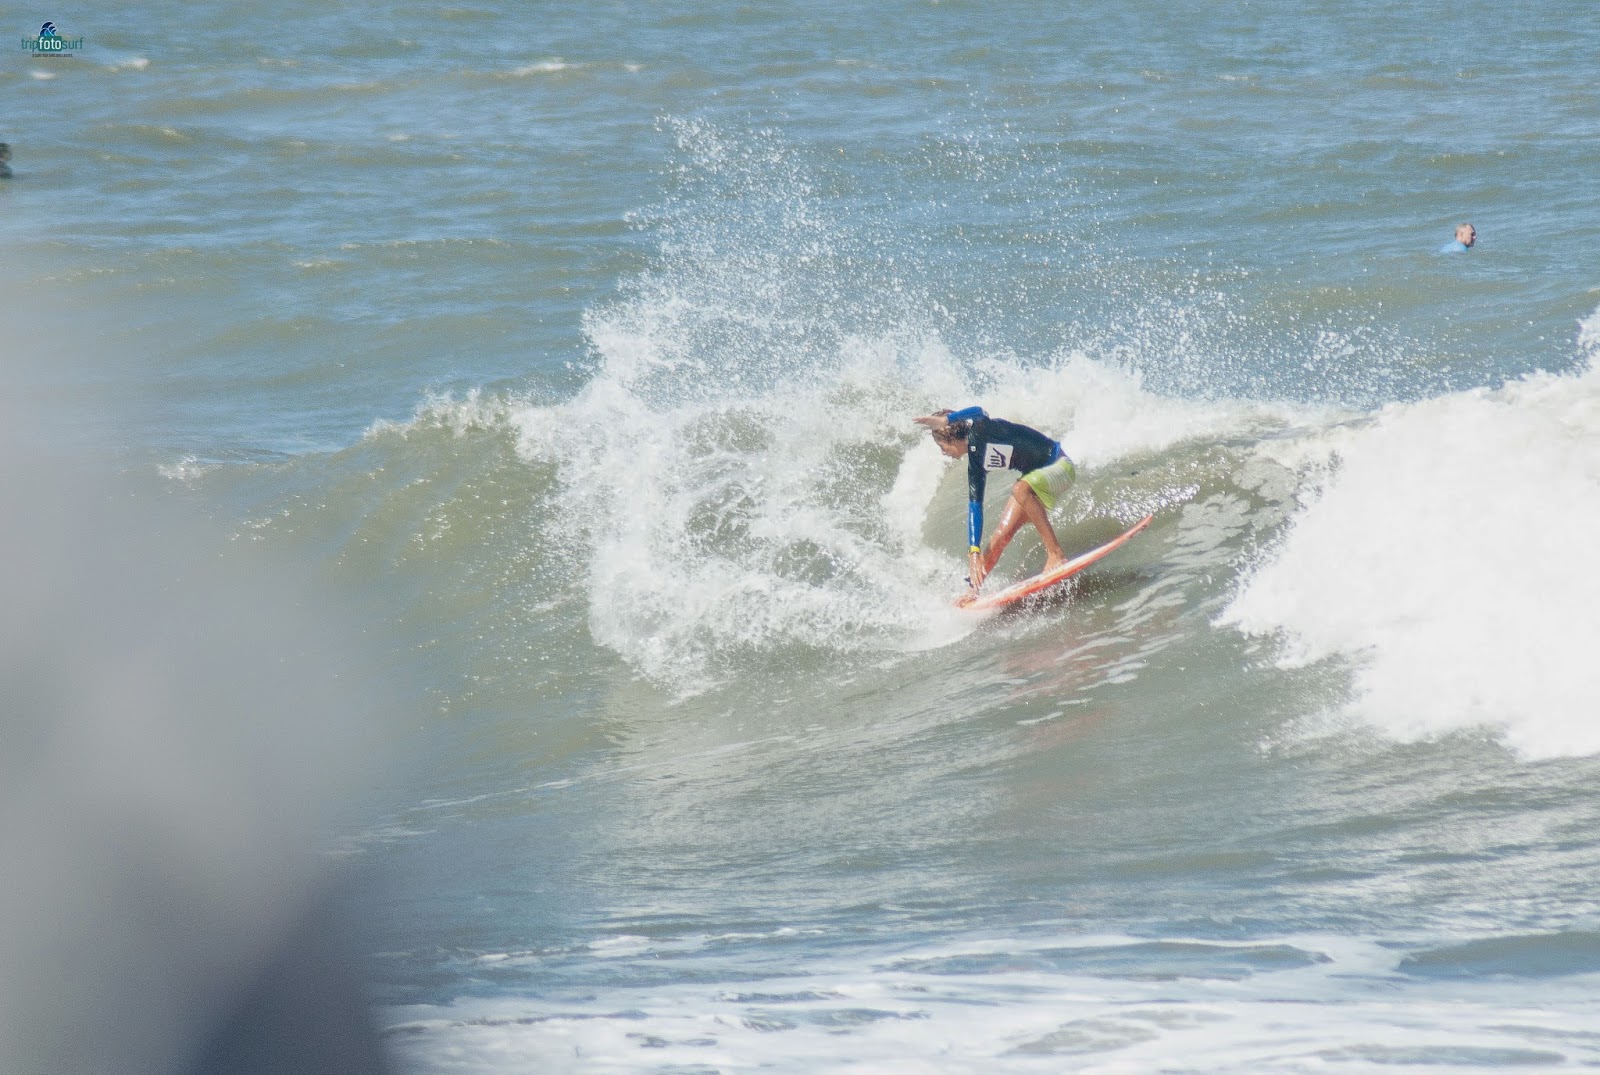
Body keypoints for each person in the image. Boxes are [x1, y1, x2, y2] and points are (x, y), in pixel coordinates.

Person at [914, 406, 1077, 594]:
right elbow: (975, 507)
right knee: (999, 536)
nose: (943, 452)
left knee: (1020, 489)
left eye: (941, 446)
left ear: (951, 437)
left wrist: (947, 420)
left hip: (1059, 465)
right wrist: (973, 551)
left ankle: (1055, 554)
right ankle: (973, 590)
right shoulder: (975, 463)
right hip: (1034, 478)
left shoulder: (983, 430)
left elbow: (979, 412)